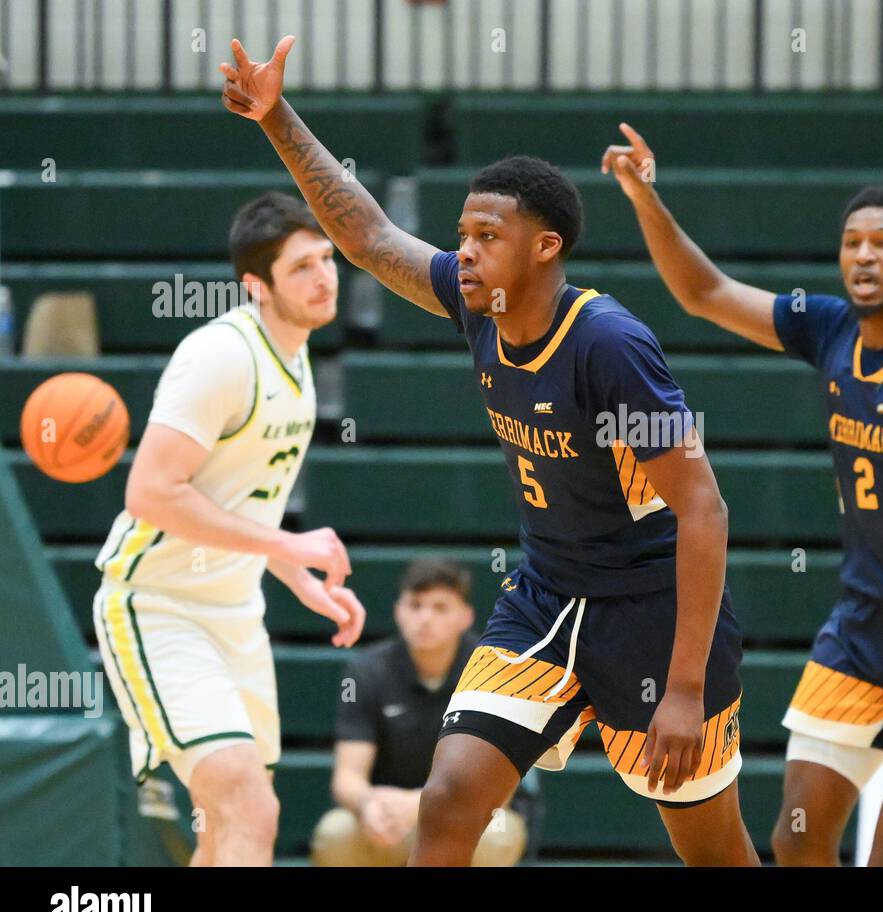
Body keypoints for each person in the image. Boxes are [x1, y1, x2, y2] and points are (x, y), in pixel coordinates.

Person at [219, 36, 758, 866]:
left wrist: (683, 688)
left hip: (653, 611)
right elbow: (366, 235)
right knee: (450, 799)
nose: (464, 250)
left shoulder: (609, 346)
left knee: (711, 847)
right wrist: (274, 115)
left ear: (545, 247)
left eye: (486, 235)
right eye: (461, 233)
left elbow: (704, 507)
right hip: (544, 596)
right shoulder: (478, 304)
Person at [600, 125, 883, 865]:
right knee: (795, 837)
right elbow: (705, 292)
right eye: (852, 242)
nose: (864, 255)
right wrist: (644, 195)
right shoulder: (829, 327)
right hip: (860, 623)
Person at [93, 191, 366, 867]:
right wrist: (284, 545)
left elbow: (245, 504)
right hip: (159, 605)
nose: (325, 276)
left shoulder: (298, 360)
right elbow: (151, 491)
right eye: (302, 266)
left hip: (235, 614)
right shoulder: (219, 356)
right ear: (258, 285)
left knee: (232, 826)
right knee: (247, 803)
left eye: (326, 259)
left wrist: (297, 578)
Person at [312, 558, 532, 867]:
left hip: (464, 817)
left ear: (465, 617)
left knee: (499, 830)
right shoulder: (366, 670)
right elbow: (347, 777)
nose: (425, 618)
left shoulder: (491, 671)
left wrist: (415, 804)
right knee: (336, 833)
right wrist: (368, 806)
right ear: (398, 611)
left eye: (440, 608)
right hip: (389, 822)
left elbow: (498, 791)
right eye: (415, 605)